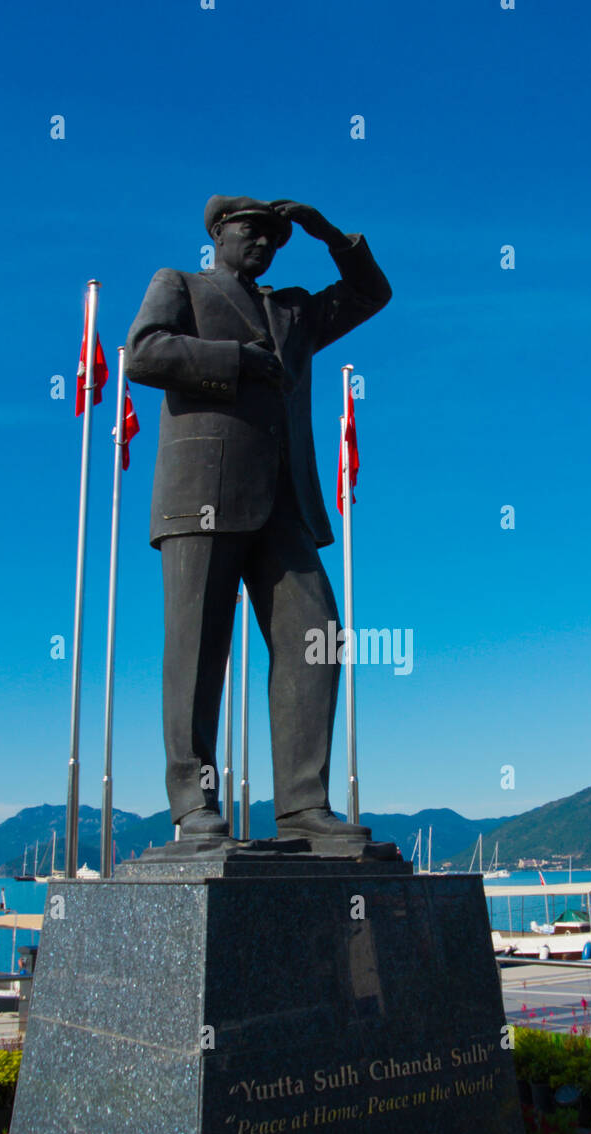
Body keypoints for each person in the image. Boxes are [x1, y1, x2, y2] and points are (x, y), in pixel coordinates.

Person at [124, 196, 392, 848]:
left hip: (284, 502)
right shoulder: (180, 284)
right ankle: (195, 808)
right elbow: (144, 353)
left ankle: (302, 809)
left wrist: (328, 230)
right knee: (197, 651)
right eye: (252, 232)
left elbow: (371, 292)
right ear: (218, 233)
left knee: (317, 634)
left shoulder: (293, 310)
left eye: (275, 238)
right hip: (202, 494)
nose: (265, 245)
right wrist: (235, 361)